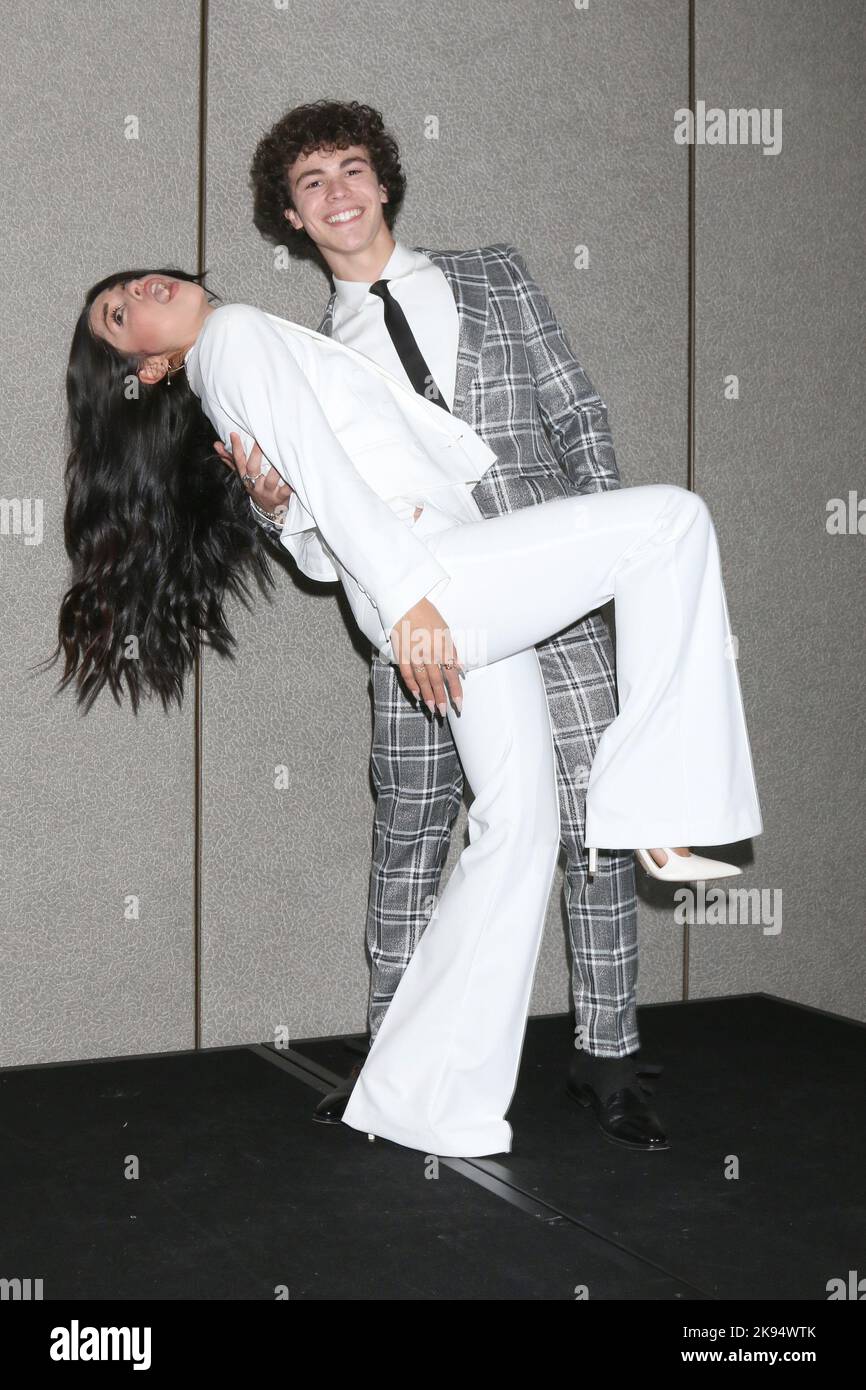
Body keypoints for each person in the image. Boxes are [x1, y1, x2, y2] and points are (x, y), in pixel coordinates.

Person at [47, 267, 762, 1159]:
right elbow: (343, 487)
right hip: (435, 576)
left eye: (139, 283)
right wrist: (413, 600)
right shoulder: (231, 341)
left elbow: (322, 512)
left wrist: (282, 511)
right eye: (120, 315)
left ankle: (421, 1095)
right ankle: (661, 806)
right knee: (673, 522)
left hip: (426, 577)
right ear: (144, 369)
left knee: (521, 826)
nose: (142, 294)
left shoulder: (238, 358)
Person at [230, 99, 665, 1149]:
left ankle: (604, 1056)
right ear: (288, 220)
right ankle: (393, 1055)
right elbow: (313, 520)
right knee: (413, 831)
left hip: (542, 577)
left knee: (588, 817)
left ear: (382, 180)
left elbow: (577, 413)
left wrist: (603, 553)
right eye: (310, 185)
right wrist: (272, 501)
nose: (337, 194)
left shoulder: (495, 274)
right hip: (420, 607)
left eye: (349, 170)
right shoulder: (297, 355)